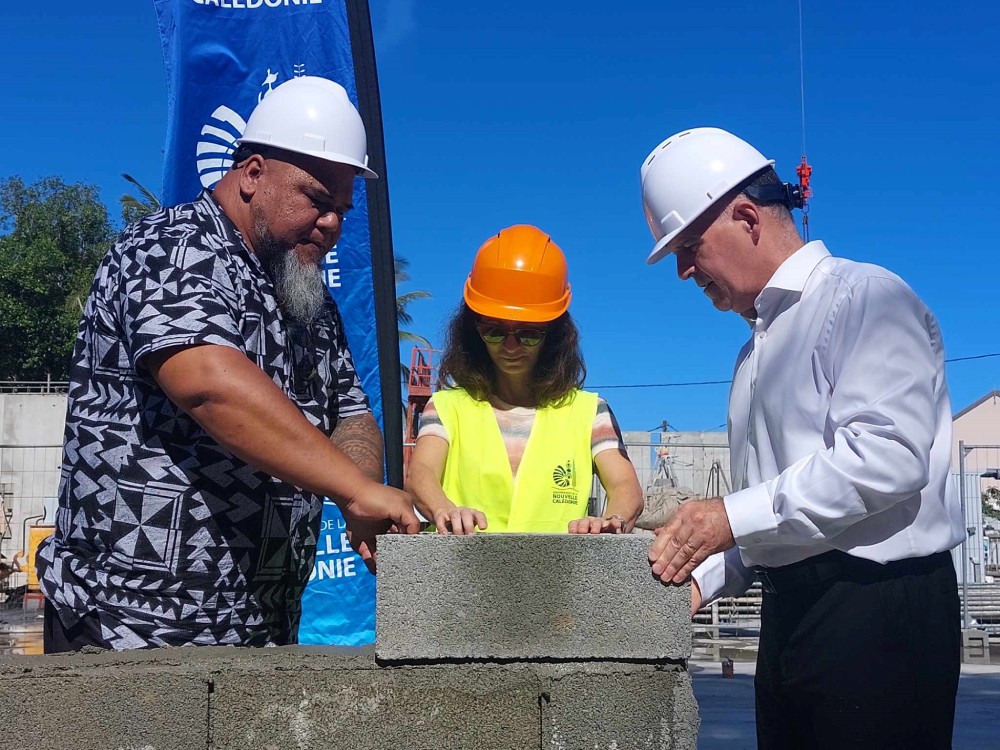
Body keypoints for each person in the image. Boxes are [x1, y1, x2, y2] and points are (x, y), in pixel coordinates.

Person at [36, 76, 419, 652]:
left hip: (255, 637)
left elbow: (352, 413)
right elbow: (209, 384)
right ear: (253, 173)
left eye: (341, 208)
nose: (333, 224)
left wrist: (358, 486)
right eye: (317, 199)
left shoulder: (309, 301)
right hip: (127, 633)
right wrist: (355, 492)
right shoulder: (170, 246)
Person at [640, 127, 963, 749]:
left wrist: (729, 518)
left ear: (745, 216)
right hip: (793, 617)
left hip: (878, 614)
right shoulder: (753, 353)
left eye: (688, 246)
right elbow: (778, 518)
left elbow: (890, 458)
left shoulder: (865, 297)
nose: (683, 271)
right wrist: (698, 577)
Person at [405, 224, 643, 535]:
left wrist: (611, 523)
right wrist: (444, 509)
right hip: (463, 575)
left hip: (561, 578)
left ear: (554, 335)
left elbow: (626, 486)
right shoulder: (446, 408)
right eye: (494, 331)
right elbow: (421, 473)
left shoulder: (590, 412)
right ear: (473, 331)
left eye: (529, 334)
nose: (511, 346)